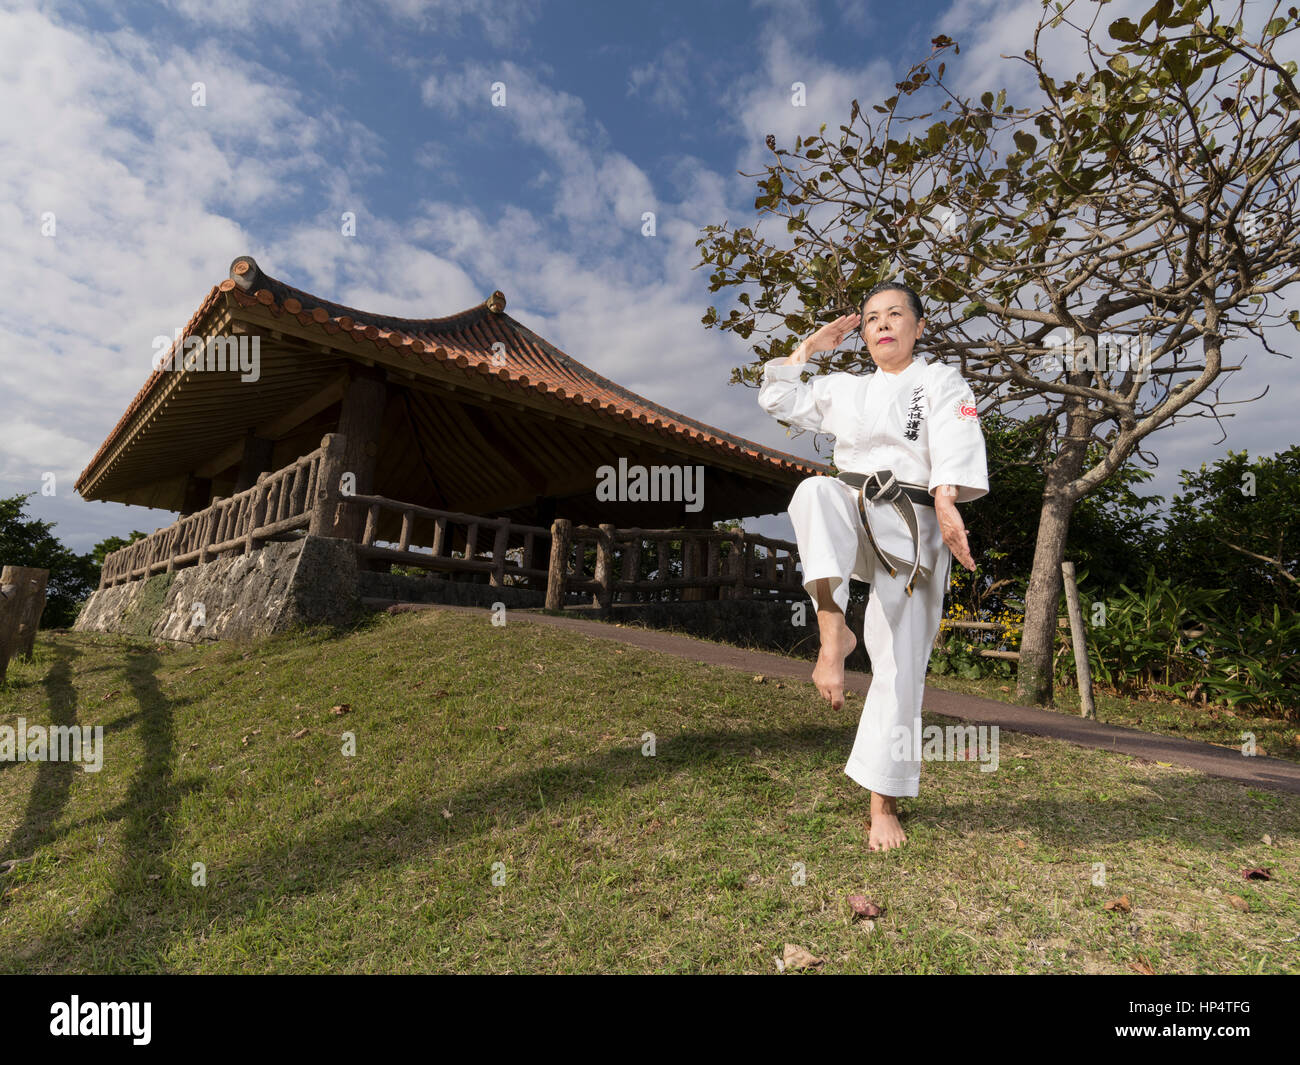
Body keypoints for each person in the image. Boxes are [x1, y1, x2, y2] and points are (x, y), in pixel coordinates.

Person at [757, 281, 989, 852]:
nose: (882, 325)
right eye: (870, 319)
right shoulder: (846, 388)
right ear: (860, 334)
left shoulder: (940, 382)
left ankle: (881, 805)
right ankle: (833, 631)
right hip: (854, 507)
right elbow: (776, 400)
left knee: (900, 663)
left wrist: (946, 499)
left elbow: (957, 438)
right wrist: (808, 350)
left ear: (918, 326)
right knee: (814, 492)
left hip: (912, 523)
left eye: (894, 315)